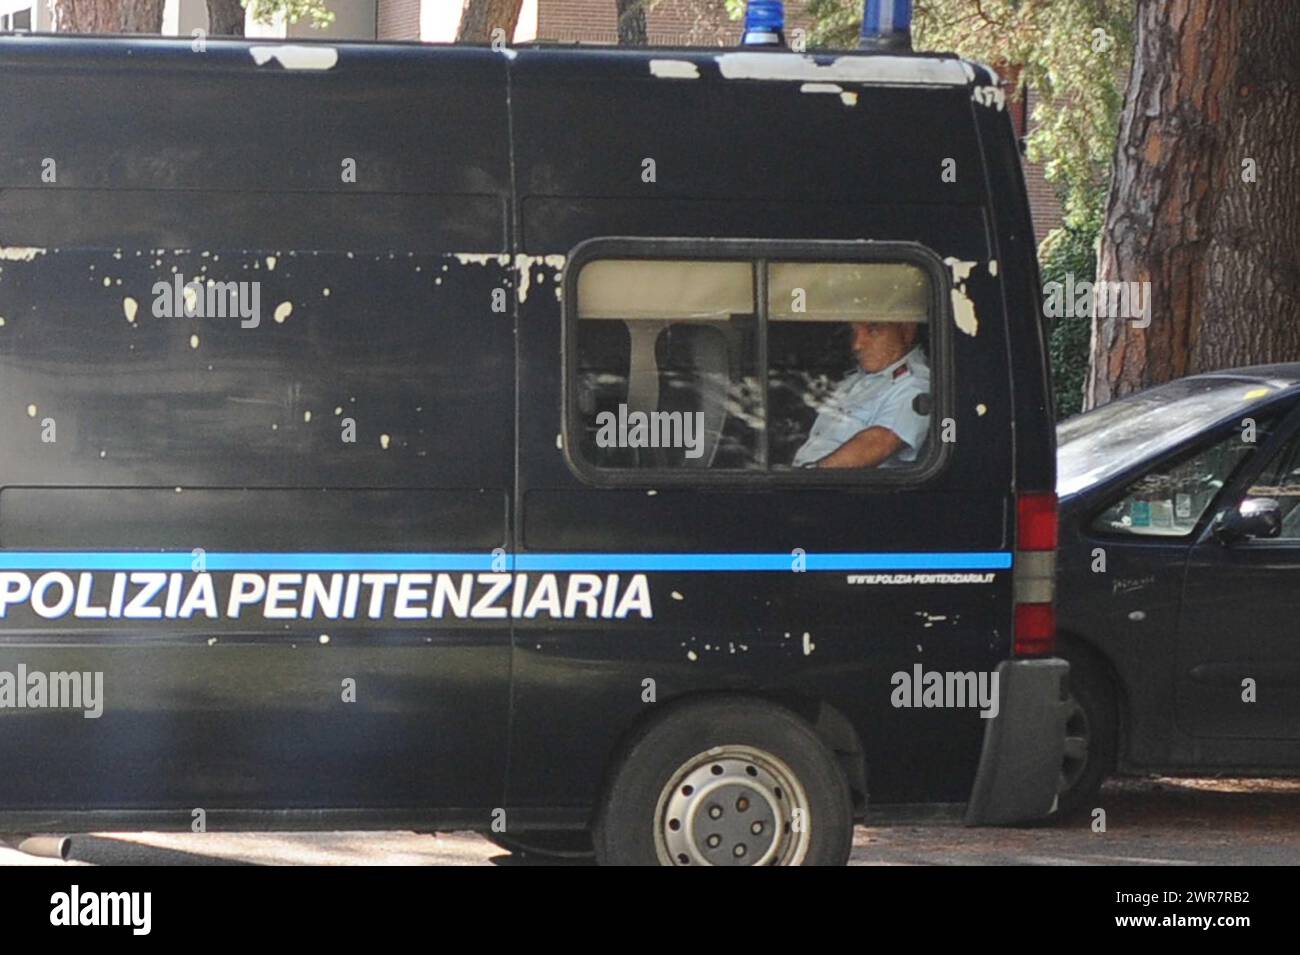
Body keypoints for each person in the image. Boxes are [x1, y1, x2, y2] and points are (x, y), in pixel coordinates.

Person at [791, 320, 931, 469]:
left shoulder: (914, 383)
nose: (857, 345)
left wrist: (811, 477)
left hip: (835, 485)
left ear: (907, 330)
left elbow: (878, 443)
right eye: (854, 332)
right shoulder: (860, 377)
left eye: (873, 330)